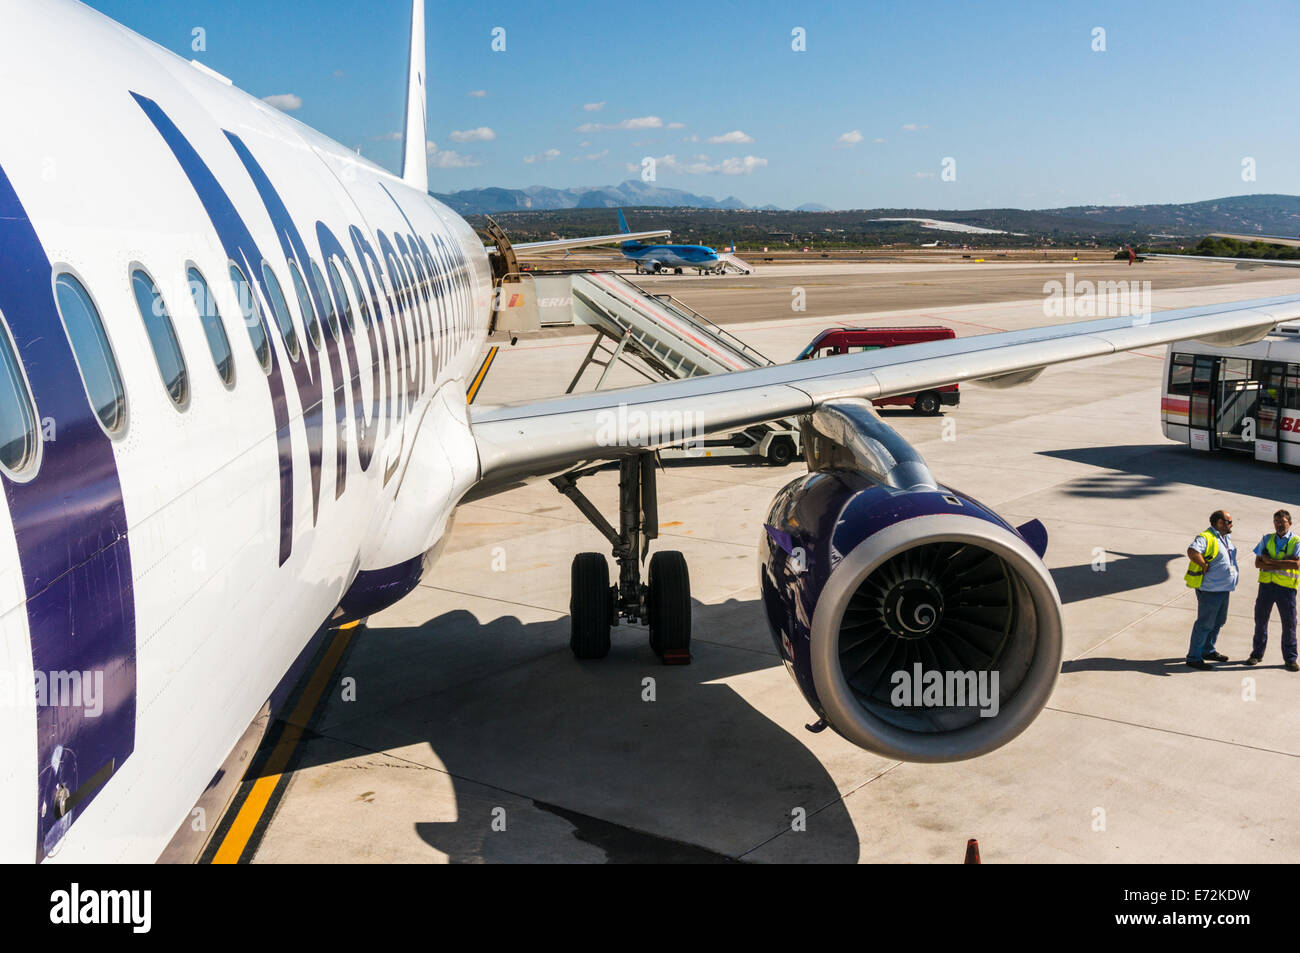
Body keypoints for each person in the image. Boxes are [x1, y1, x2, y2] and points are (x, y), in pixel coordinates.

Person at [1184, 509, 1238, 669]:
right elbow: (1192, 551)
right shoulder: (1206, 537)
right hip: (1210, 590)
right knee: (1205, 623)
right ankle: (1194, 657)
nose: (1232, 524)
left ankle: (1208, 650)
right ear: (1220, 523)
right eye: (1229, 521)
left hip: (1223, 588)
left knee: (1218, 621)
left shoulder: (1225, 536)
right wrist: (1203, 565)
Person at [1246, 509, 1299, 671]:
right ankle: (1256, 654)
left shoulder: (1296, 542)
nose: (1278, 524)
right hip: (1266, 588)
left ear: (1289, 523)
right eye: (1276, 521)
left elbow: (1296, 564)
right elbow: (1258, 563)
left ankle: (1290, 658)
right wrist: (1279, 562)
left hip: (1286, 589)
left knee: (1289, 624)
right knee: (1260, 621)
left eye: (1282, 521)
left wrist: (1270, 562)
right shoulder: (1266, 539)